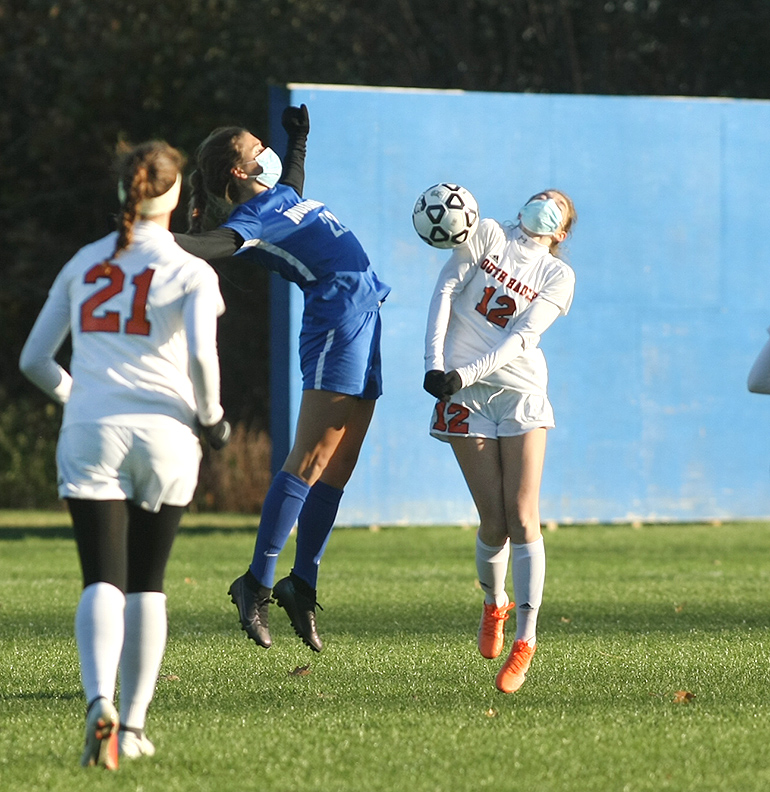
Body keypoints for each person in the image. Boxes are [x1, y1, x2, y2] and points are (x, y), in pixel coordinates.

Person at [19, 141, 230, 769]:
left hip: (91, 431)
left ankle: (97, 703)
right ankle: (133, 727)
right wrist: (212, 419)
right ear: (176, 194)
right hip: (166, 434)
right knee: (147, 583)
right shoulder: (191, 270)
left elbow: (33, 360)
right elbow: (201, 356)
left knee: (100, 578)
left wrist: (82, 399)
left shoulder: (85, 261)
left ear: (121, 191)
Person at [174, 105, 390, 653]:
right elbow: (218, 244)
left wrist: (299, 140)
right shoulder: (254, 218)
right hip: (336, 321)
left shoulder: (282, 194)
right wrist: (154, 239)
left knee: (340, 463)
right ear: (240, 172)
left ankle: (303, 583)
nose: (266, 152)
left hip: (366, 314)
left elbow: (291, 177)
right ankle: (256, 582)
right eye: (257, 150)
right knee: (309, 459)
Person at [423, 190, 576, 693]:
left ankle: (526, 641)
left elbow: (523, 338)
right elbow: (446, 289)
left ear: (561, 231)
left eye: (556, 205)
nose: (545, 202)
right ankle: (495, 604)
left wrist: (464, 372)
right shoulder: (488, 233)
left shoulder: (557, 275)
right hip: (465, 398)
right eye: (540, 196)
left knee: (522, 516)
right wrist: (434, 365)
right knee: (494, 522)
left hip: (520, 394)